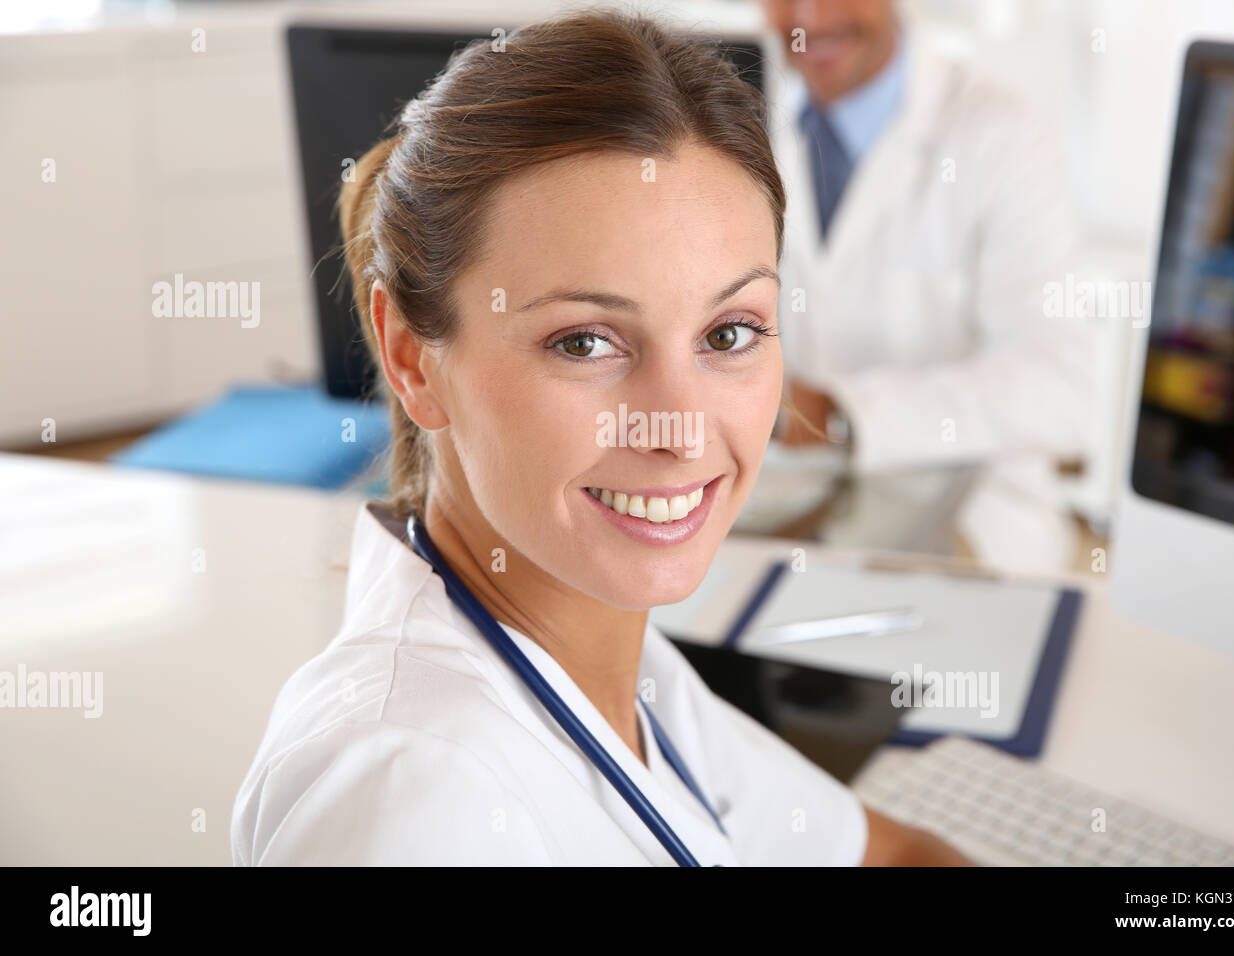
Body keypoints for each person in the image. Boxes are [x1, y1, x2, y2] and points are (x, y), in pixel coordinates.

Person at [230, 9, 970, 866]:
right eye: (584, 342)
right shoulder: (415, 795)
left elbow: (894, 856)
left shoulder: (613, 648)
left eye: (728, 333)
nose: (681, 429)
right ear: (412, 358)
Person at [759, 0, 1097, 573]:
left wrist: (839, 414)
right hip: (792, 514)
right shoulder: (738, 116)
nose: (809, 18)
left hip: (969, 528)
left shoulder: (1000, 132)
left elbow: (1059, 386)